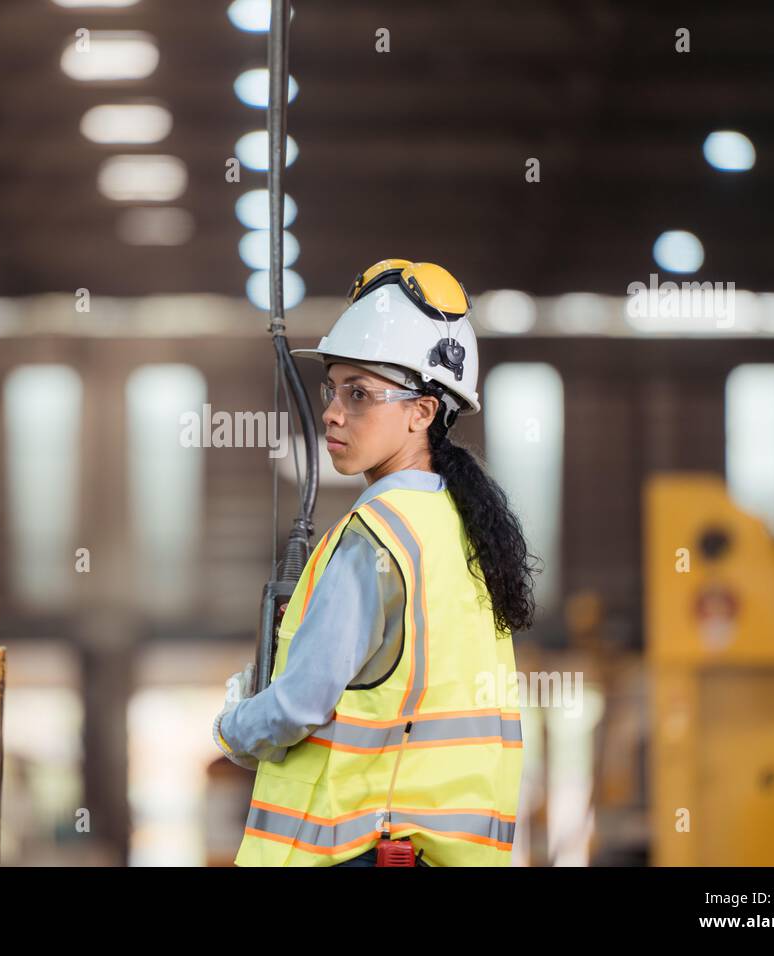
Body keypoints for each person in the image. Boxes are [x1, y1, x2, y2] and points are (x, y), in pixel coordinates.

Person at [213, 259, 539, 867]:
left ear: (422, 411)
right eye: (331, 389)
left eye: (359, 394)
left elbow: (303, 702)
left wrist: (234, 726)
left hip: (360, 849)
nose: (333, 412)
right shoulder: (459, 532)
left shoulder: (378, 536)